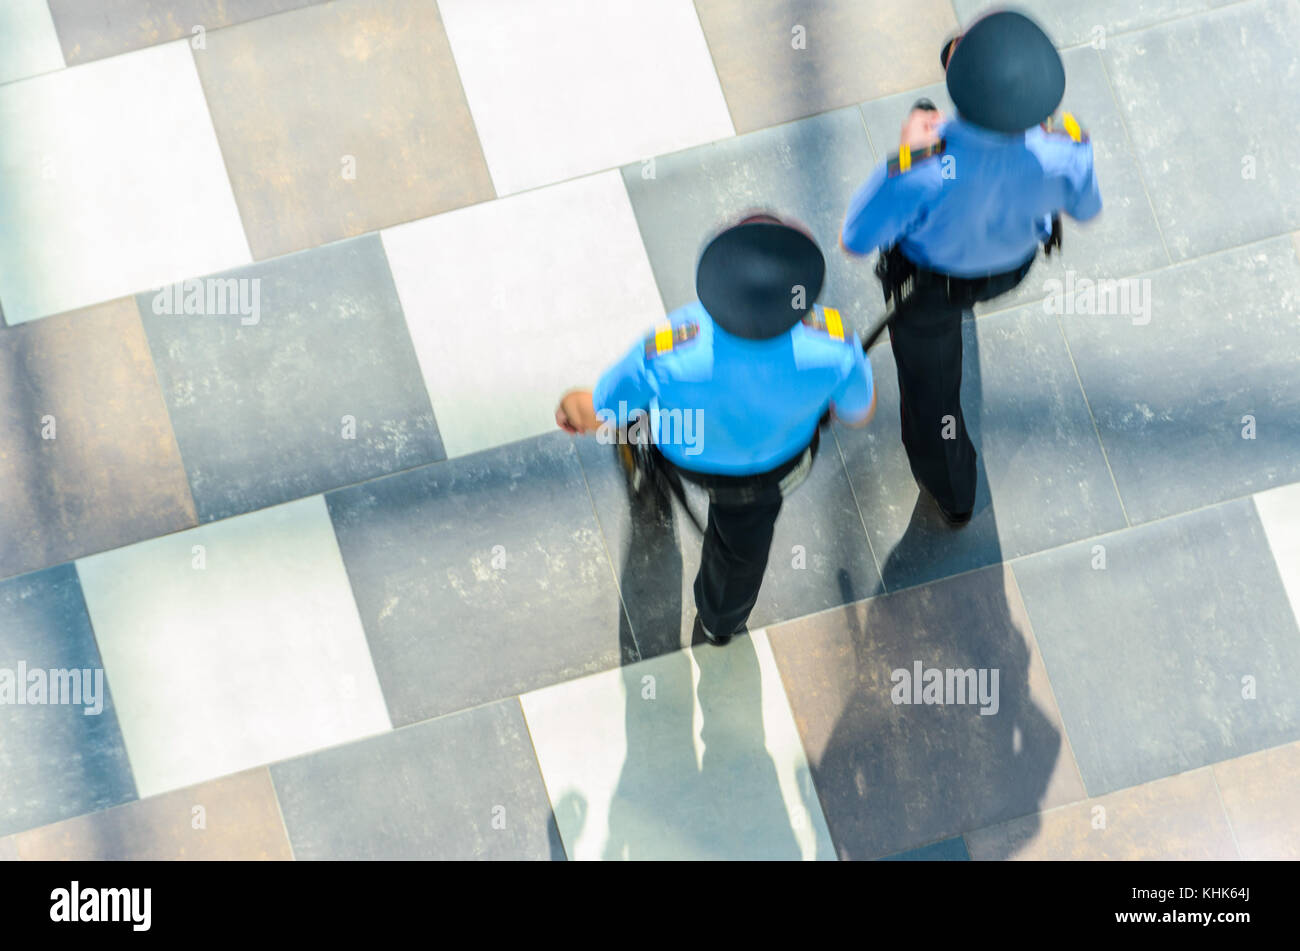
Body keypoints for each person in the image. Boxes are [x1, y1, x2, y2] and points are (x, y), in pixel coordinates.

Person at [556, 214, 875, 646]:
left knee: (644, 414)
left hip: (687, 453)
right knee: (741, 556)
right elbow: (858, 412)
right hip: (773, 471)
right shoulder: (837, 345)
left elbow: (604, 410)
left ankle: (644, 465)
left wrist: (572, 406)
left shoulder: (670, 345)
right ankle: (719, 623)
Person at [840, 9, 1102, 525]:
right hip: (1012, 265)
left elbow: (855, 237)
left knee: (933, 393)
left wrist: (911, 144)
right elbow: (1086, 208)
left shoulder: (920, 167)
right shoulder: (1066, 148)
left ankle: (954, 491)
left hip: (929, 290)